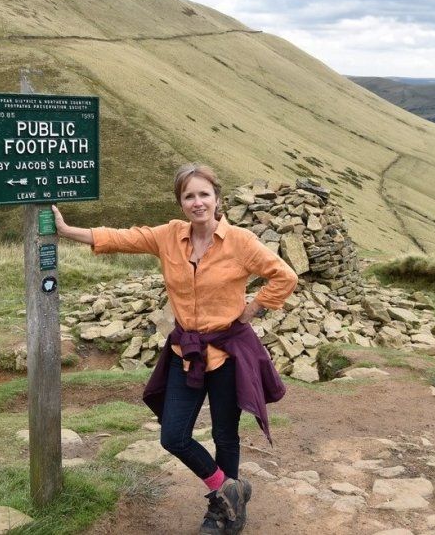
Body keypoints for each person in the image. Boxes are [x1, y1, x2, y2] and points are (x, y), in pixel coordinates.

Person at [52, 163, 298, 534]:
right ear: (180, 202)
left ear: (217, 198)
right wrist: (67, 230)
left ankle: (222, 511)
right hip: (188, 351)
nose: (198, 202)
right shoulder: (168, 236)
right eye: (189, 196)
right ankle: (229, 490)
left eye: (204, 194)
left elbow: (284, 275)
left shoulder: (241, 241)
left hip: (228, 352)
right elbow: (123, 238)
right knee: (173, 436)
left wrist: (252, 309)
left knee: (225, 435)